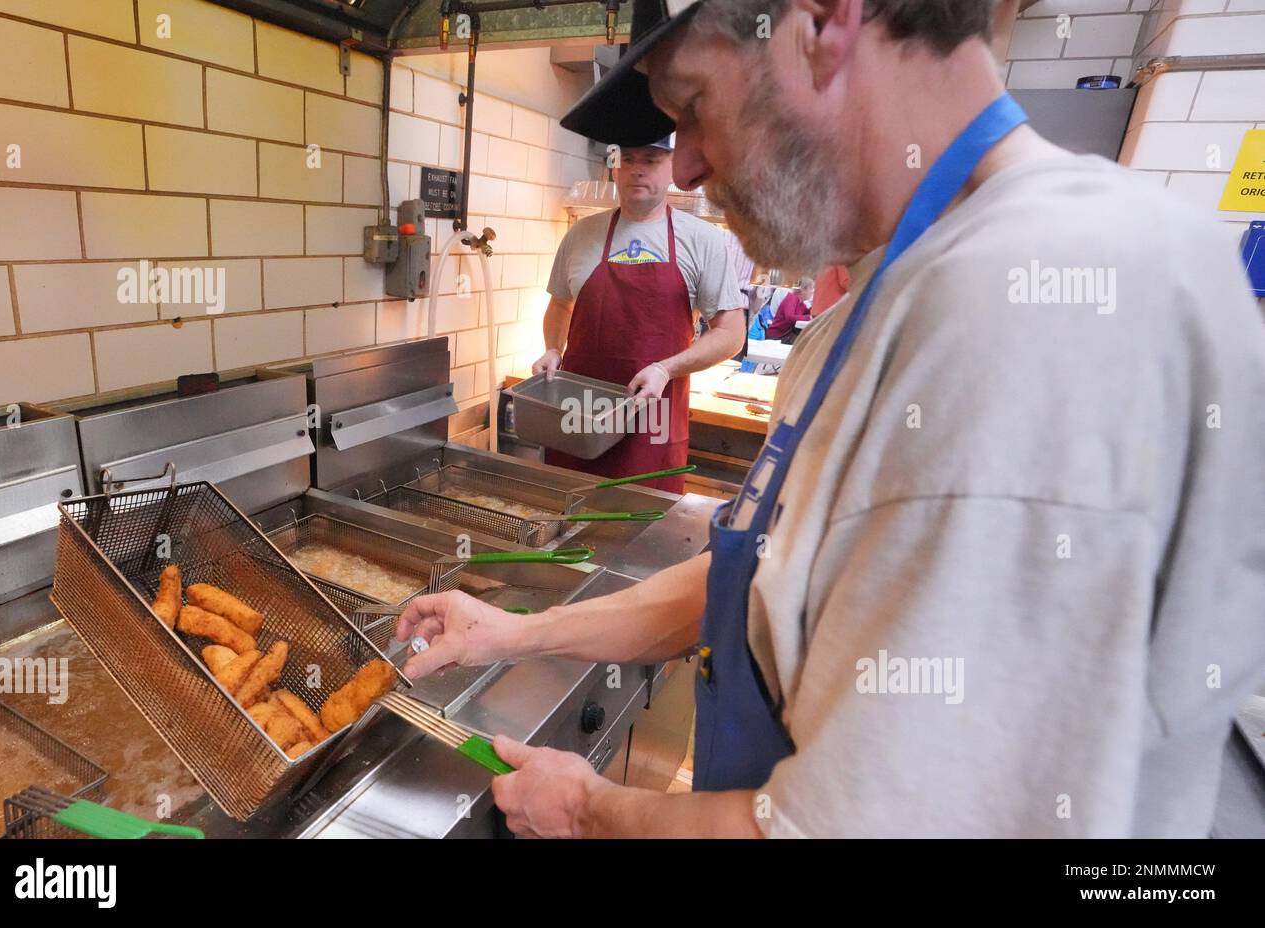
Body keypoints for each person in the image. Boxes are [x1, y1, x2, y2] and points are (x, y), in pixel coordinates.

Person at [398, 0, 1265, 837]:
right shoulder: (876, 305)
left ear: (820, 22)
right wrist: (520, 631)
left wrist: (589, 811)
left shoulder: (1041, 294)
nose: (687, 166)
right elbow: (758, 582)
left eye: (694, 105)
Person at [531, 136, 746, 493]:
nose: (638, 169)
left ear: (673, 168)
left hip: (653, 421)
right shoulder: (581, 234)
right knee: (568, 521)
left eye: (651, 159)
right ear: (614, 167)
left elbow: (730, 332)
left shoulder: (702, 239)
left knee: (645, 530)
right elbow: (560, 305)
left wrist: (666, 369)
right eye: (628, 158)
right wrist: (553, 348)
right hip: (579, 417)